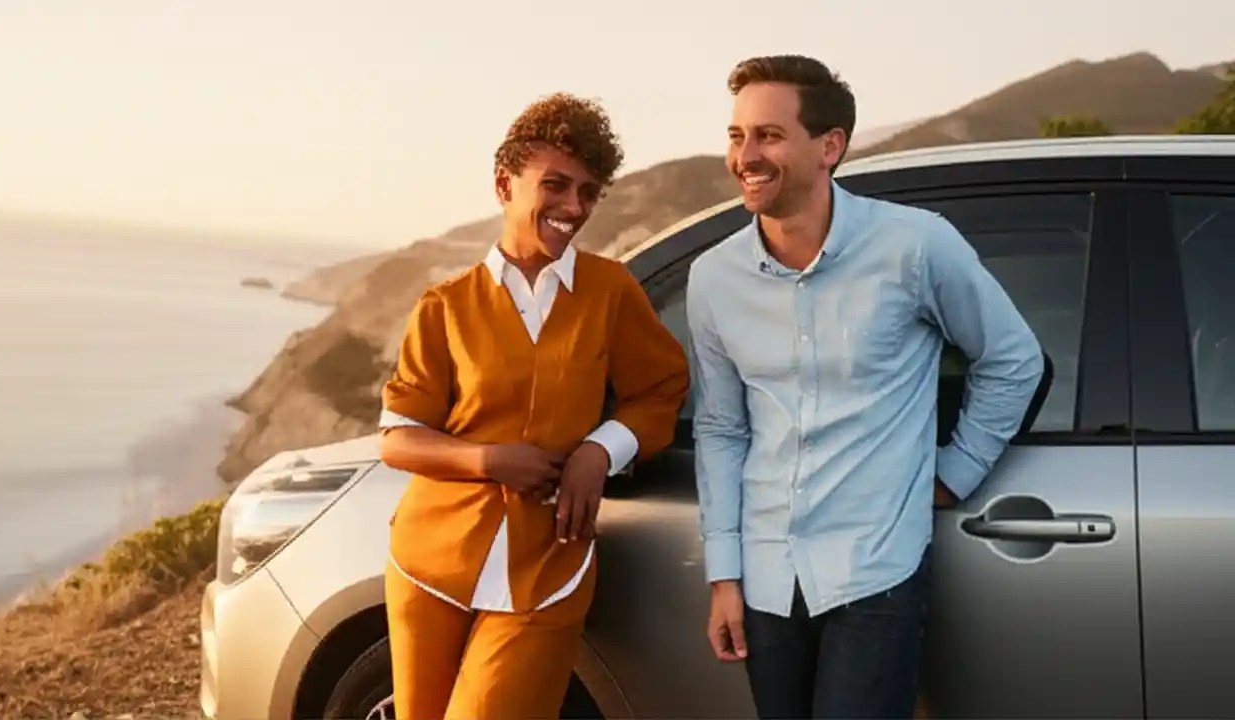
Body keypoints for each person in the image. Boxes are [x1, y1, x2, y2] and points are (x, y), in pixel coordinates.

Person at [686, 55, 1044, 719]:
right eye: (736, 137)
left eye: (767, 135)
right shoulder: (714, 278)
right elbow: (722, 428)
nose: (745, 156)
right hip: (767, 581)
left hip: (875, 572)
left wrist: (954, 473)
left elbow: (1013, 358)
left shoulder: (915, 247)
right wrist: (725, 577)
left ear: (830, 146)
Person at [377, 92, 690, 720]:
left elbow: (660, 389)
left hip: (549, 563)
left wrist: (599, 451)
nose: (574, 207)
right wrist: (491, 460)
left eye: (589, 192)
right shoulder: (446, 304)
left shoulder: (609, 293)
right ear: (505, 184)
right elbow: (399, 437)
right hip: (428, 562)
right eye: (556, 185)